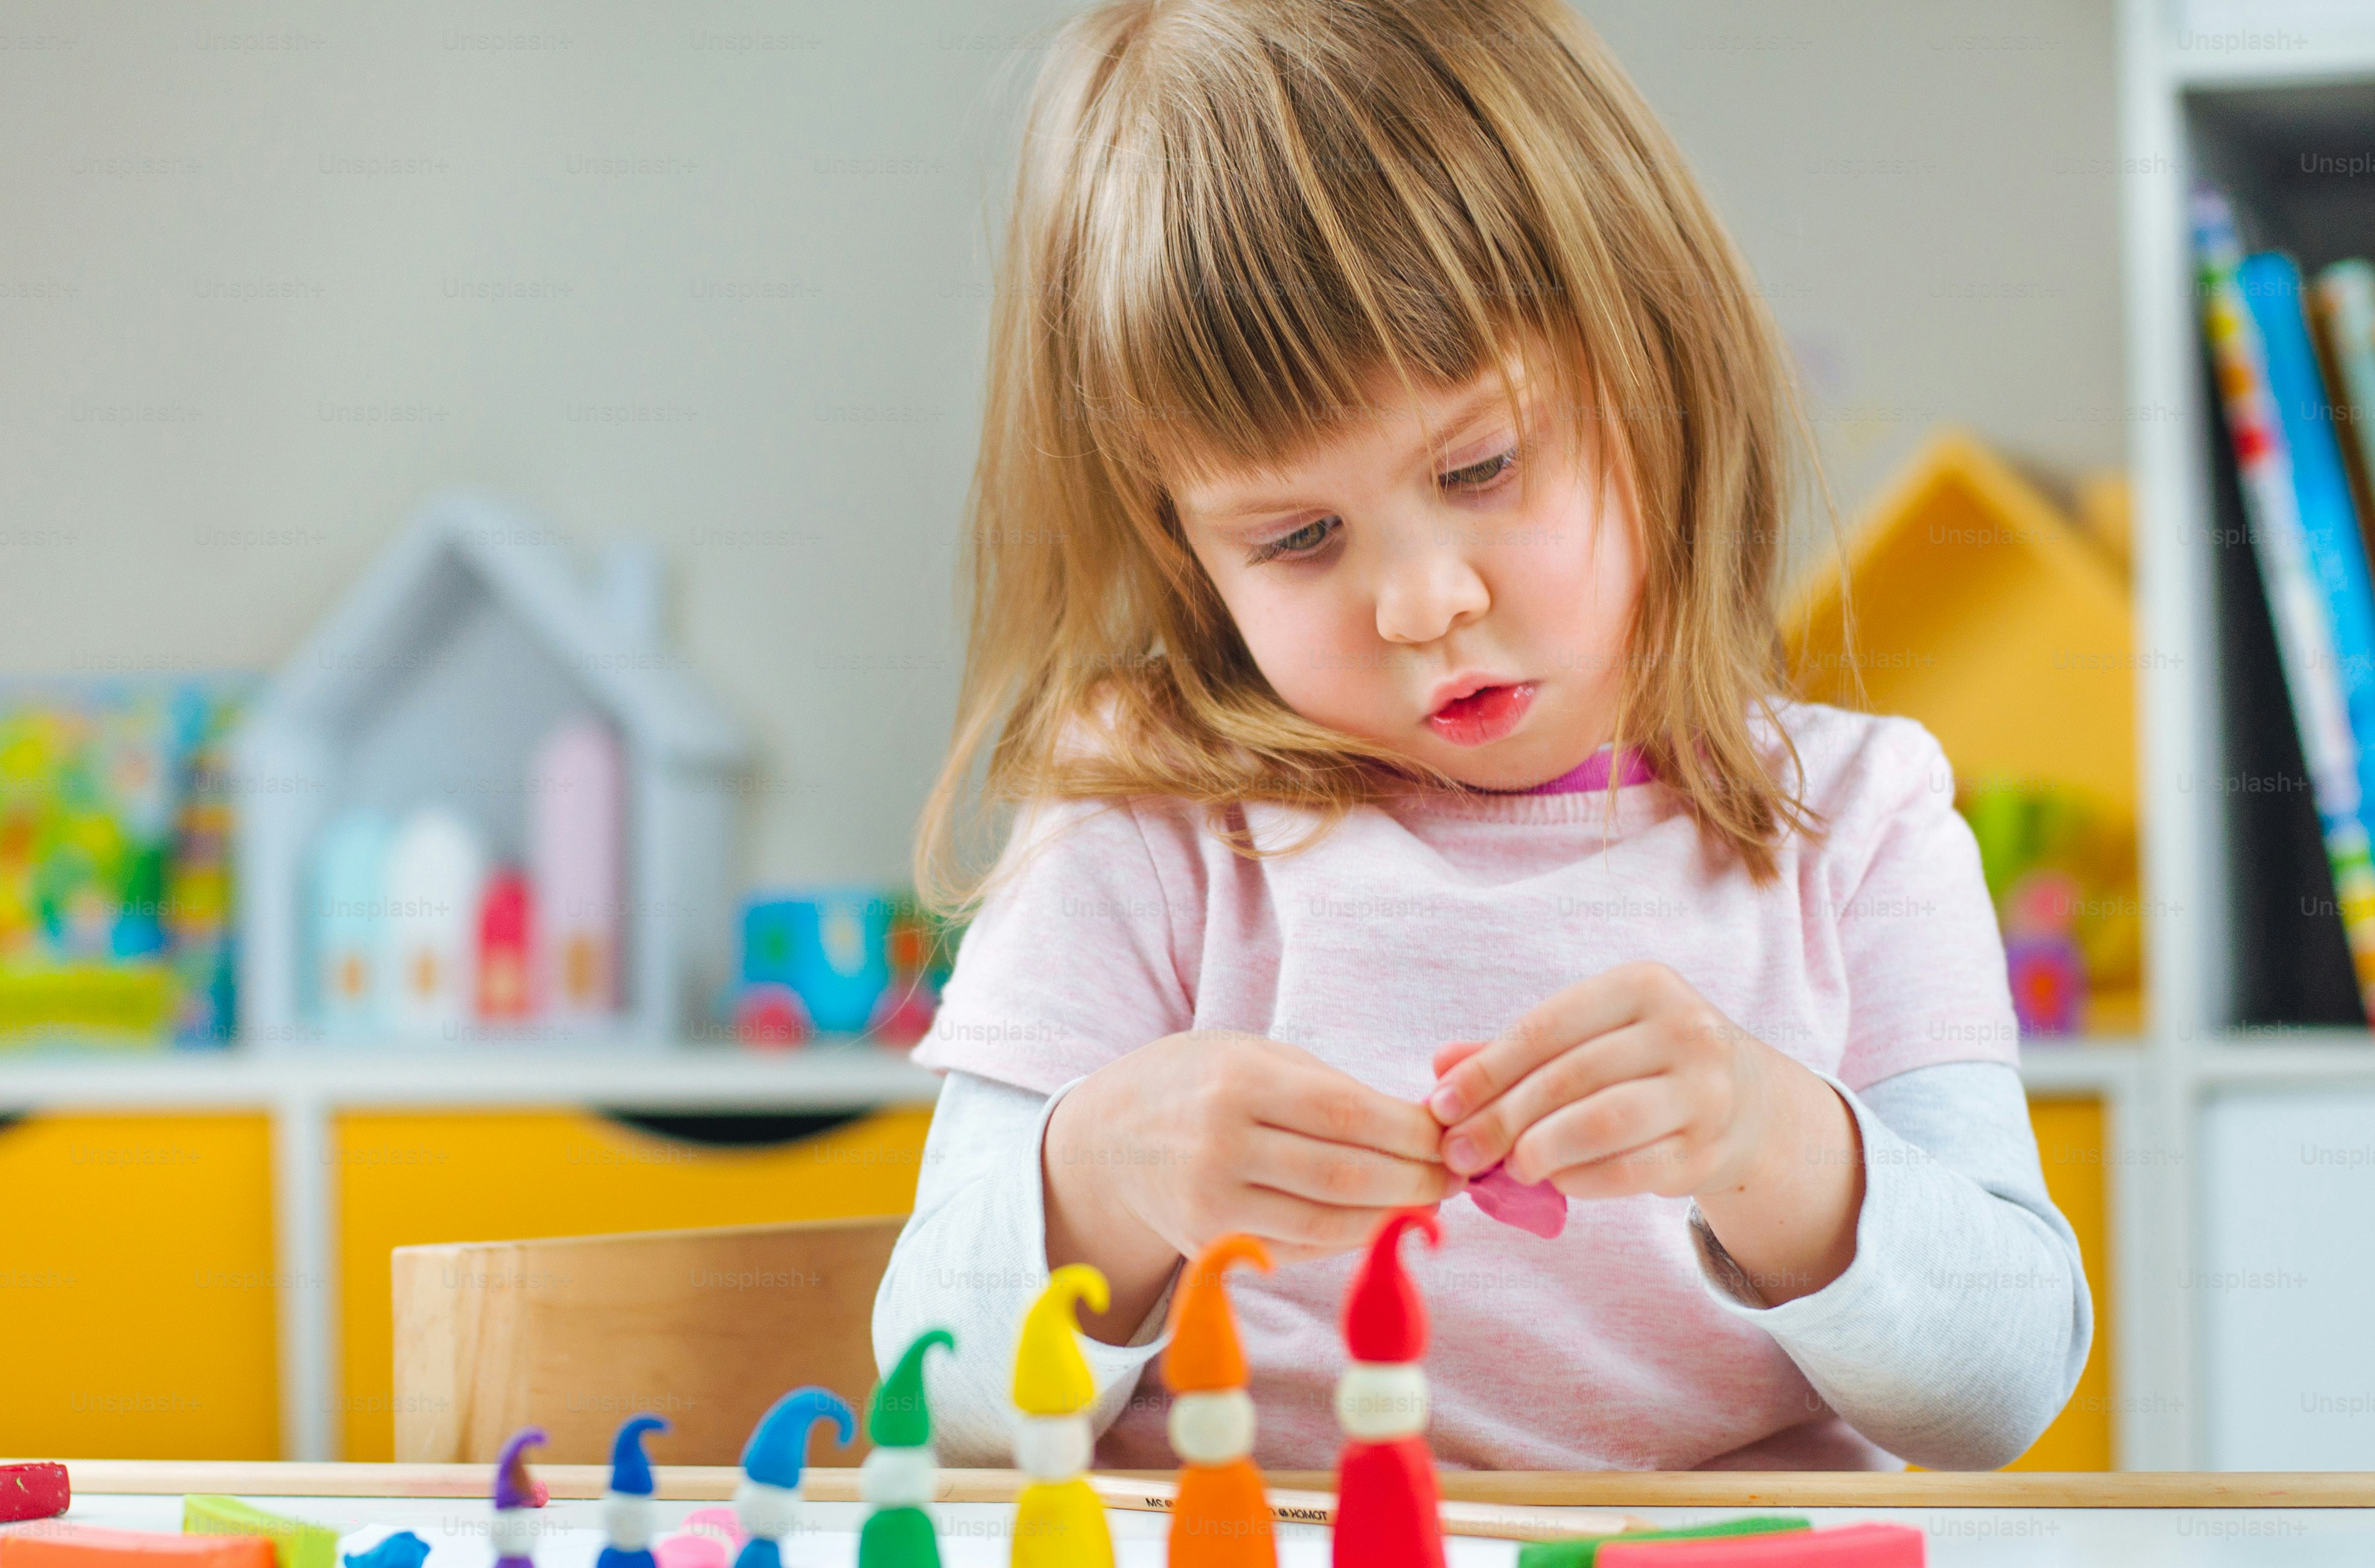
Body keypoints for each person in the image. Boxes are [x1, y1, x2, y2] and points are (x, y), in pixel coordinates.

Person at [875, 0, 2090, 1472]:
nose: (1421, 600)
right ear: (1183, 540)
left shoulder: (1853, 817)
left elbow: (1996, 1394)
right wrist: (1105, 1178)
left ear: (1652, 361)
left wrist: (1773, 1147)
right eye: (1299, 535)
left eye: (1481, 463)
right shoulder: (1146, 822)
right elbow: (938, 1391)